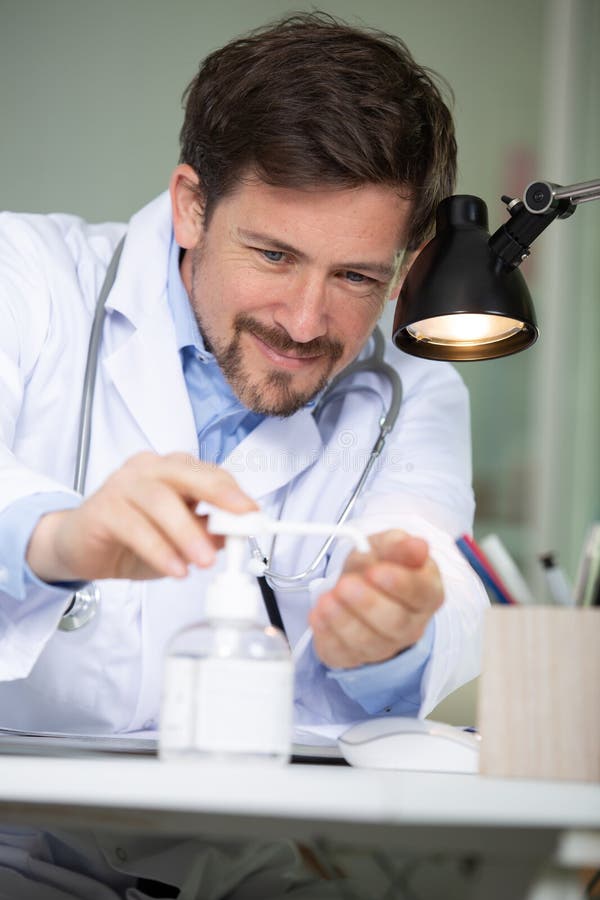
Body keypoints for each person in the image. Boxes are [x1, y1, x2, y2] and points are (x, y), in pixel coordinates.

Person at [0, 13, 486, 740]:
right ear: (192, 207)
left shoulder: (412, 390)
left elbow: (433, 571)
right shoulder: (28, 275)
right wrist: (56, 541)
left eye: (355, 275)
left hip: (262, 850)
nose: (303, 321)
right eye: (274, 256)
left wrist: (391, 633)